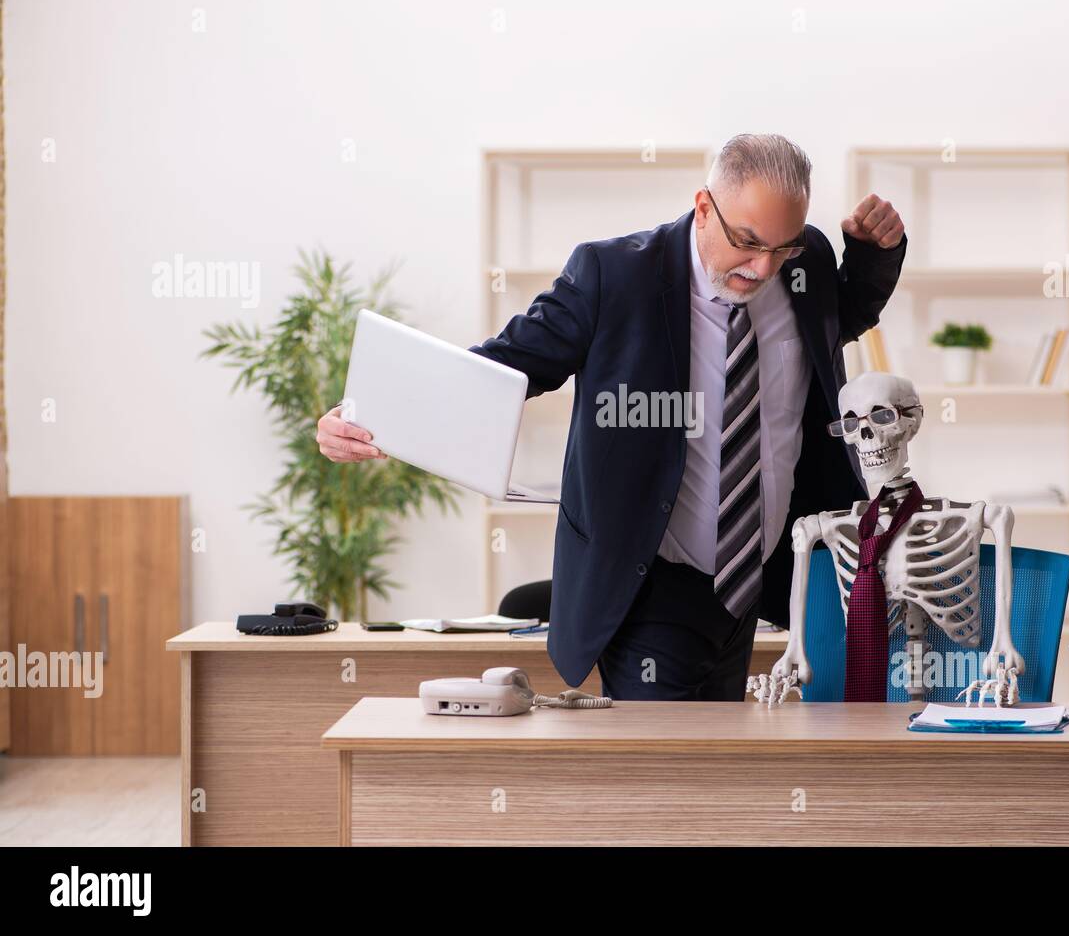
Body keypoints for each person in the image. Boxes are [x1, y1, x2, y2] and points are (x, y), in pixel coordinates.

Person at [316, 133, 906, 700]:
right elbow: (505, 367)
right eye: (747, 242)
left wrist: (874, 254)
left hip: (758, 578)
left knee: (724, 768)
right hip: (652, 582)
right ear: (703, 207)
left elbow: (837, 319)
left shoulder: (803, 265)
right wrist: (373, 414)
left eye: (783, 247)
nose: (762, 267)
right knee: (666, 774)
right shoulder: (613, 276)